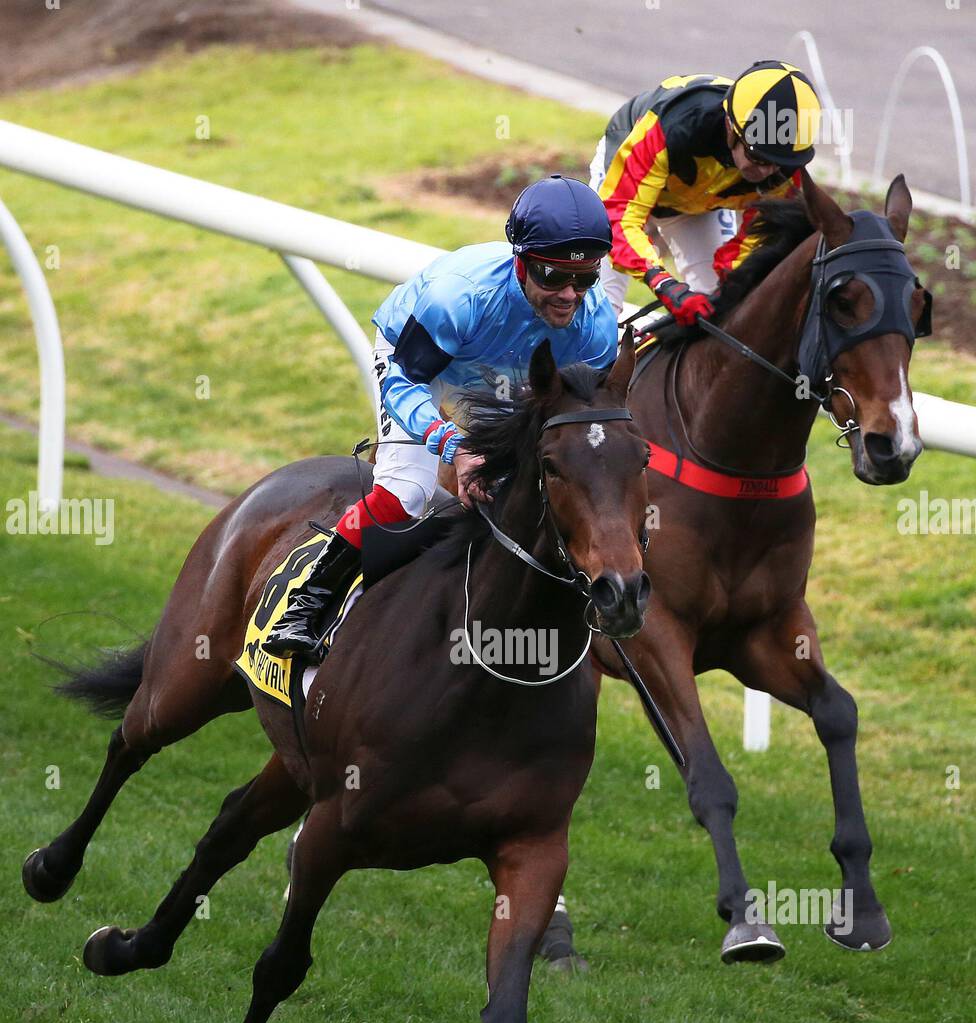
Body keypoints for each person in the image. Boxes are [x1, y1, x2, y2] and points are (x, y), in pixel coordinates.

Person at [263, 175, 618, 660]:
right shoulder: (460, 297)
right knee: (407, 491)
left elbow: (581, 421)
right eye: (554, 277)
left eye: (585, 279)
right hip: (422, 366)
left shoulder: (596, 325)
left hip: (509, 375)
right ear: (520, 261)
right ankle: (308, 603)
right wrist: (455, 447)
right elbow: (400, 383)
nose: (570, 295)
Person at [589, 60, 821, 322]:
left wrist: (729, 287)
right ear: (731, 128)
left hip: (696, 203)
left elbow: (751, 246)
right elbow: (617, 217)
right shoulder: (673, 127)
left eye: (778, 161)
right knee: (601, 313)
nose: (768, 172)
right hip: (627, 182)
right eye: (758, 157)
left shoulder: (785, 171)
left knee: (719, 314)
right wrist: (664, 283)